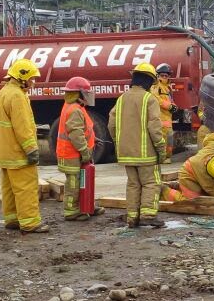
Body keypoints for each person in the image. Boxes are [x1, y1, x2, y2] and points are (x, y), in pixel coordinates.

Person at [109, 63, 167, 228]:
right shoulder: (149, 99)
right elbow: (155, 127)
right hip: (146, 153)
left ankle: (132, 217)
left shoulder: (121, 99)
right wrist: (161, 149)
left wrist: (119, 143)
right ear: (149, 81)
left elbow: (111, 125)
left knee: (133, 184)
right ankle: (148, 216)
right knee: (151, 183)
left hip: (126, 153)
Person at [0, 58, 46, 233]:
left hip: (5, 152)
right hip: (18, 153)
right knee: (26, 188)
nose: (33, 82)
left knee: (9, 189)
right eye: (31, 78)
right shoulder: (17, 96)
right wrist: (31, 149)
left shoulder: (3, 93)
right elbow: (22, 126)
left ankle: (12, 219)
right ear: (22, 77)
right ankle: (30, 222)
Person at [55, 76, 105, 221]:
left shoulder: (76, 107)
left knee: (84, 181)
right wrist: (84, 151)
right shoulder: (75, 109)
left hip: (75, 153)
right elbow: (75, 134)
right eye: (86, 93)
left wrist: (92, 139)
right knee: (74, 184)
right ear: (79, 94)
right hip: (71, 155)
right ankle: (71, 211)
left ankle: (86, 206)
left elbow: (83, 130)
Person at [151, 63, 176, 163]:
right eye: (162, 75)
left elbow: (170, 100)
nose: (164, 77)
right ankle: (163, 157)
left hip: (167, 118)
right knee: (162, 139)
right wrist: (169, 106)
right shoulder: (157, 86)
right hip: (160, 117)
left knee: (169, 139)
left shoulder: (167, 87)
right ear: (158, 75)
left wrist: (174, 106)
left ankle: (167, 157)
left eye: (166, 75)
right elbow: (155, 98)